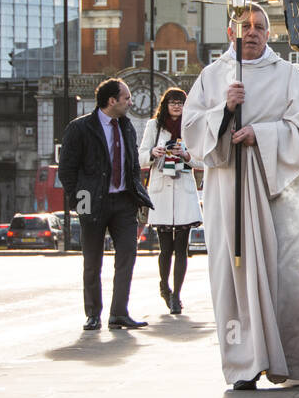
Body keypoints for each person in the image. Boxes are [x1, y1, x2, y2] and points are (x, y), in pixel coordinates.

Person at [183, 3, 299, 390]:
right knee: (232, 273)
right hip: (227, 187)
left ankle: (286, 360)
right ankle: (243, 364)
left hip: (274, 187)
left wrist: (261, 134)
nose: (253, 32)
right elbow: (191, 131)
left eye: (260, 26)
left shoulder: (287, 76)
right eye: (245, 26)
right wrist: (224, 112)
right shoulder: (212, 77)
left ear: (269, 33)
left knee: (283, 274)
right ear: (231, 33)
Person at [59, 78, 155, 331]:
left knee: (127, 256)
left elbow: (133, 163)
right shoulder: (80, 128)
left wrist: (138, 194)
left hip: (123, 201)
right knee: (92, 260)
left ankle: (119, 313)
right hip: (91, 201)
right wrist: (78, 199)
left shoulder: (127, 127)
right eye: (127, 98)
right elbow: (67, 169)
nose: (130, 103)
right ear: (112, 101)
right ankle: (93, 314)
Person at [139, 87, 203, 315]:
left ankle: (177, 294)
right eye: (172, 102)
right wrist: (154, 152)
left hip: (183, 190)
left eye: (181, 102)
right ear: (165, 104)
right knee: (165, 248)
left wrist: (186, 155)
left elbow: (204, 161)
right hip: (162, 190)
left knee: (182, 248)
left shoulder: (192, 126)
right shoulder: (153, 126)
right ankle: (164, 285)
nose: (176, 106)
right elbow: (139, 158)